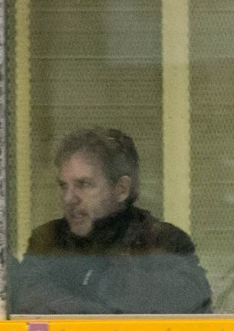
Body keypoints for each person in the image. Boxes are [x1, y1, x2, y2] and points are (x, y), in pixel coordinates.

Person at [13, 127, 211, 315]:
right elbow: (31, 303)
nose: (68, 198)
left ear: (121, 189)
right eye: (64, 186)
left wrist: (95, 280)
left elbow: (189, 305)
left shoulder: (162, 241)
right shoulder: (47, 240)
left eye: (84, 184)